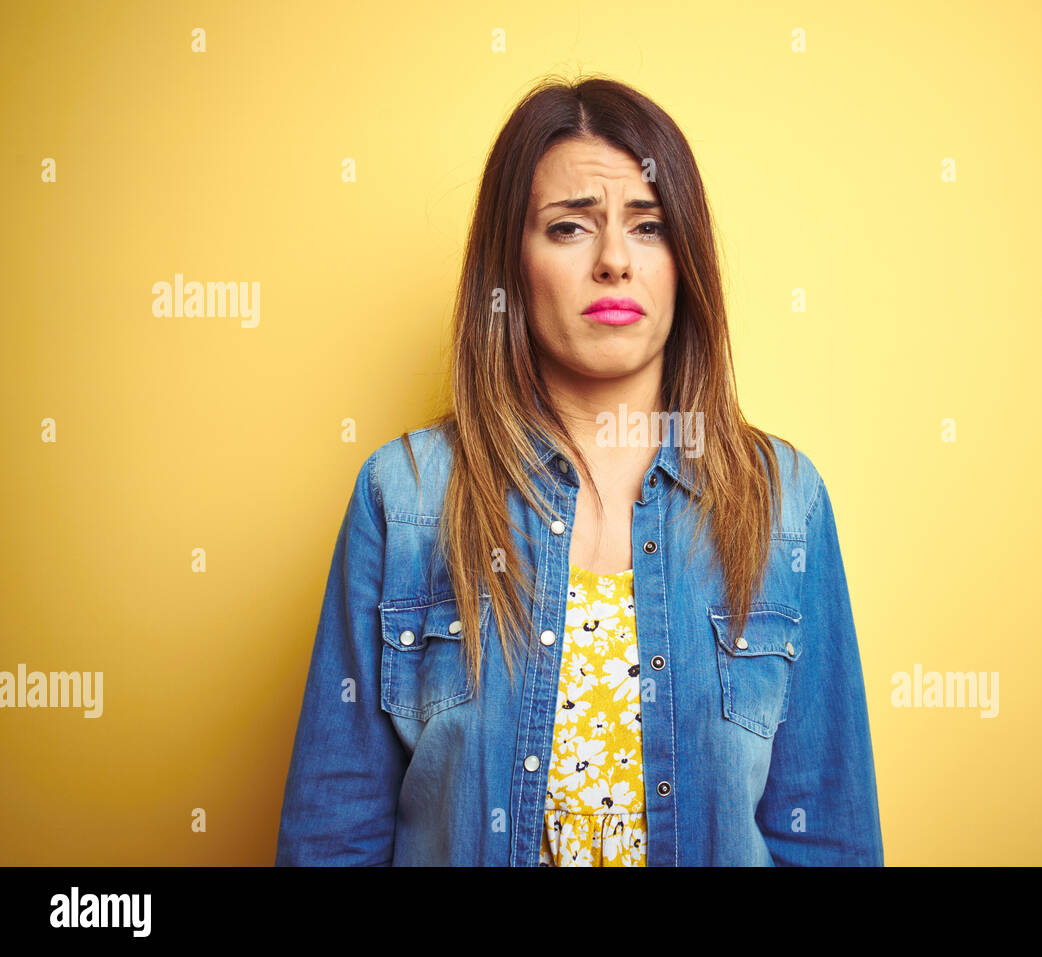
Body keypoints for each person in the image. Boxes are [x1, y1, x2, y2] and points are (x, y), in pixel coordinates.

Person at [274, 74, 884, 866]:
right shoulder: (408, 497)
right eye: (569, 228)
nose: (613, 262)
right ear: (510, 266)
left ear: (685, 261)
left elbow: (830, 837)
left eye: (649, 226)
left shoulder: (783, 503)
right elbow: (332, 836)